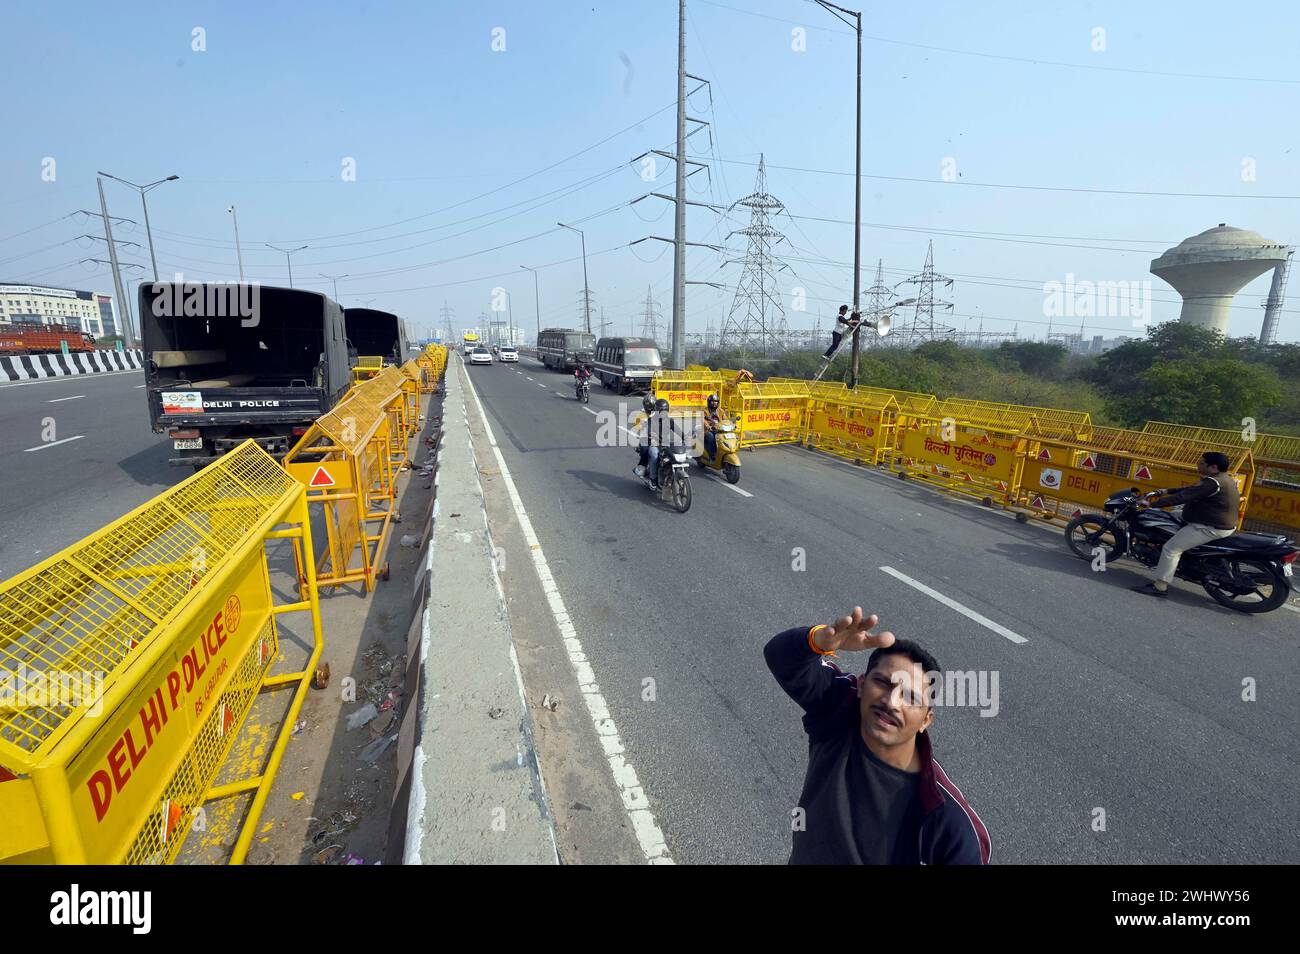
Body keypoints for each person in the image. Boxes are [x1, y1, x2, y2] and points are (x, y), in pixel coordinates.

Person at [764, 606, 991, 865]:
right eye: (883, 683)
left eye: (910, 697)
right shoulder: (838, 713)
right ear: (861, 684)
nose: (891, 702)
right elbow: (781, 657)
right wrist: (818, 641)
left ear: (926, 720)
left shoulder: (946, 818)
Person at [1132, 451, 1241, 598]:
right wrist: (1165, 491)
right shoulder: (1219, 479)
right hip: (1213, 521)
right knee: (1172, 515)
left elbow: (1183, 497)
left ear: (1213, 467)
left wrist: (1151, 504)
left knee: (1171, 549)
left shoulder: (1214, 482)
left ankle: (1160, 586)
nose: (1198, 464)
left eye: (1202, 462)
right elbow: (1191, 489)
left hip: (1210, 527)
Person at [644, 398, 686, 490]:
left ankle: (671, 475)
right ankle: (653, 479)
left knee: (675, 455)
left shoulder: (669, 420)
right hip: (654, 444)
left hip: (666, 444)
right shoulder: (651, 420)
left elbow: (677, 430)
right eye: (662, 411)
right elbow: (649, 432)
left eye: (666, 410)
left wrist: (685, 437)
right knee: (654, 455)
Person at [633, 394, 655, 478]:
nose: (650, 408)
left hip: (659, 437)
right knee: (646, 450)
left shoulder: (658, 412)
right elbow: (638, 427)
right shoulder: (641, 414)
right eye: (649, 406)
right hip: (645, 438)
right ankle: (642, 466)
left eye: (652, 406)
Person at [700, 393, 724, 462]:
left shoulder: (720, 411)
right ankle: (712, 455)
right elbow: (702, 419)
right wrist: (707, 425)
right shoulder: (705, 411)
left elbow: (726, 419)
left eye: (716, 402)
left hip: (719, 430)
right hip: (708, 430)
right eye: (713, 401)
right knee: (711, 437)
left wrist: (731, 424)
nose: (714, 403)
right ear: (709, 402)